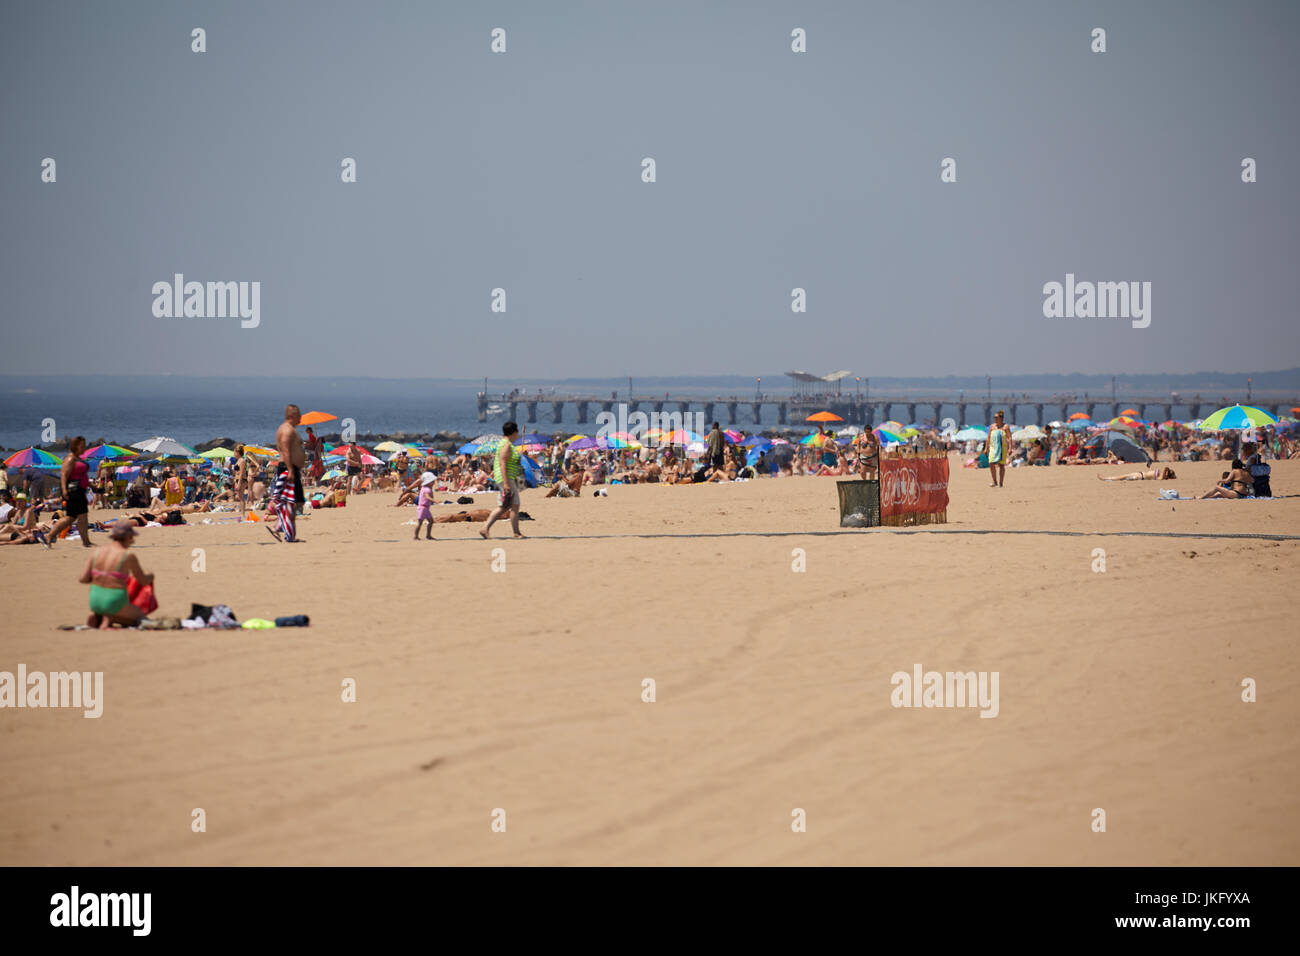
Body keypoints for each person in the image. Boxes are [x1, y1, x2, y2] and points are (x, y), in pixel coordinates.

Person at [79, 521, 153, 629]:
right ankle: (110, 618)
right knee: (140, 617)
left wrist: (100, 576)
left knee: (123, 613)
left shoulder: (97, 552)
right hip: (115, 599)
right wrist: (151, 576)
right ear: (127, 537)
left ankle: (101, 616)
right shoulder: (127, 555)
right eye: (131, 538)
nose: (132, 541)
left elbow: (83, 579)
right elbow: (143, 581)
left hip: (95, 600)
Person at [47, 436, 94, 548]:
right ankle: (86, 542)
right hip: (74, 491)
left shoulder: (77, 459)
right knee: (79, 517)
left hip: (79, 491)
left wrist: (92, 485)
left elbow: (81, 476)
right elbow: (63, 474)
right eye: (82, 446)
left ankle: (50, 536)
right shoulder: (70, 459)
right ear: (75, 446)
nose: (84, 448)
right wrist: (64, 490)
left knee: (72, 517)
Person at [480, 422, 525, 539]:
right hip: (506, 478)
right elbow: (502, 463)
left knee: (505, 505)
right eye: (517, 432)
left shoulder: (505, 444)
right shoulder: (506, 445)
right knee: (513, 505)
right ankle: (515, 532)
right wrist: (506, 483)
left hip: (508, 477)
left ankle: (486, 528)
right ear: (514, 432)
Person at [276, 404, 307, 515]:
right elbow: (285, 449)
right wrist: (290, 469)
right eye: (299, 415)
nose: (300, 418)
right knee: (295, 500)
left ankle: (286, 523)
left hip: (290, 467)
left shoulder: (288, 429)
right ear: (293, 415)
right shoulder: (287, 430)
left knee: (296, 499)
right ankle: (284, 524)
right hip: (288, 466)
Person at [984, 411, 1011, 487]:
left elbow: (1009, 437)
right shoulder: (992, 427)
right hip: (993, 448)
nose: (995, 419)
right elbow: (988, 438)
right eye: (994, 417)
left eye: (996, 417)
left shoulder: (1005, 427)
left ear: (1001, 418)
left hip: (1002, 448)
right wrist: (986, 448)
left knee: (1001, 465)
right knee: (991, 463)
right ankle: (994, 481)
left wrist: (1010, 448)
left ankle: (1001, 483)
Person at [414, 471, 436, 540]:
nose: (434, 483)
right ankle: (416, 536)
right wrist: (435, 501)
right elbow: (427, 497)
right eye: (432, 481)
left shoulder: (424, 488)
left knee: (431, 521)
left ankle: (428, 535)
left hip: (426, 508)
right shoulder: (426, 489)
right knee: (420, 522)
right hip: (423, 508)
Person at [1097, 466, 1177, 481]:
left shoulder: (1161, 478)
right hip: (1139, 474)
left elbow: (1166, 467)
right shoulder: (1161, 474)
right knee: (1121, 477)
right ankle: (1106, 478)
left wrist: (1168, 473)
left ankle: (1104, 478)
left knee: (1121, 477)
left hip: (1139, 477)